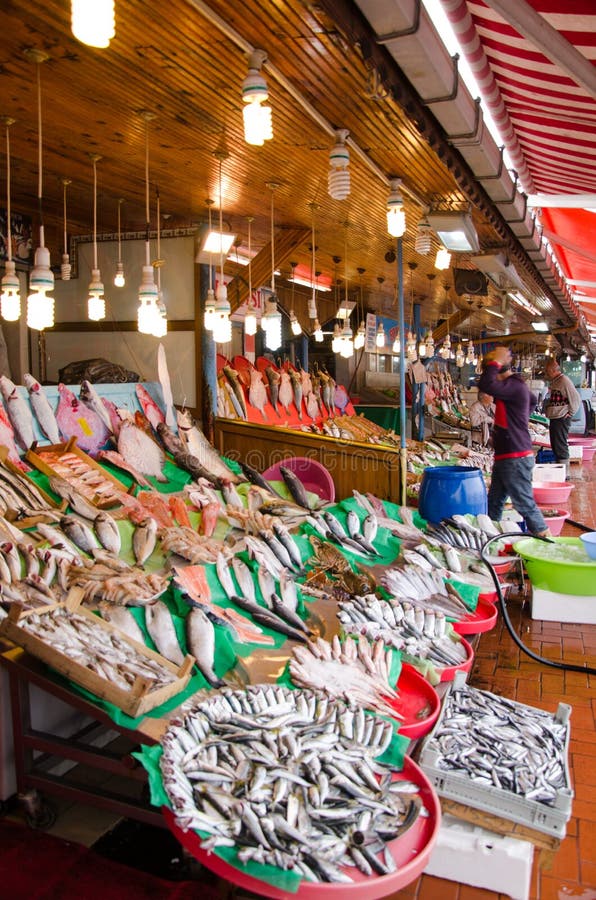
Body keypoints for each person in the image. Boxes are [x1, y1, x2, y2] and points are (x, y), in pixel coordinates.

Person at [478, 345, 549, 537]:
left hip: (515, 457)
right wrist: (517, 419)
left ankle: (547, 542)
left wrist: (495, 361)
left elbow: (486, 384)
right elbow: (533, 400)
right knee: (494, 501)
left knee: (524, 503)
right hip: (506, 456)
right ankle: (489, 537)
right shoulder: (516, 387)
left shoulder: (514, 385)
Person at [544, 358, 581, 477]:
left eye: (548, 371)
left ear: (553, 370)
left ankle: (565, 473)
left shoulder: (564, 381)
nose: (547, 373)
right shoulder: (557, 381)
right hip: (555, 416)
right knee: (555, 443)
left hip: (561, 417)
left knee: (560, 443)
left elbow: (576, 398)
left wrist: (570, 412)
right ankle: (560, 469)